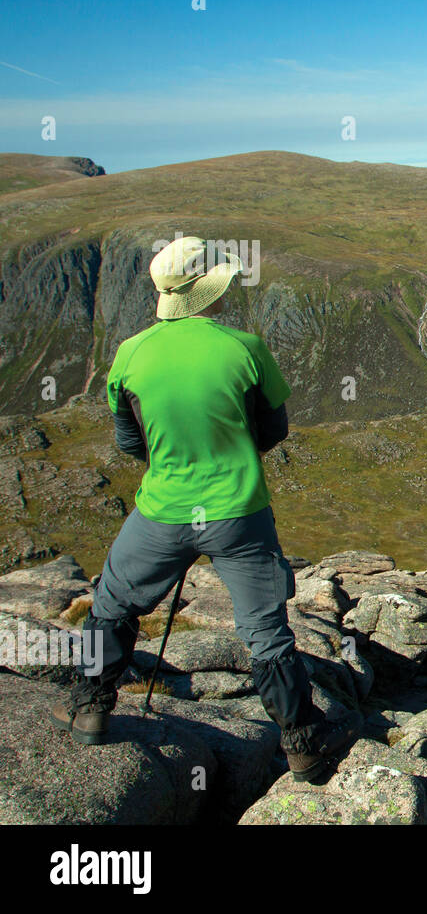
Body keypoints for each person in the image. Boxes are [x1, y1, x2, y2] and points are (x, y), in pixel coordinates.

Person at [50, 235, 356, 782]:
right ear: (205, 293)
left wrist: (176, 459)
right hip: (239, 511)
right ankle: (304, 745)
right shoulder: (244, 347)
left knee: (113, 607)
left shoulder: (131, 353)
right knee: (266, 632)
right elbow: (274, 428)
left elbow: (129, 441)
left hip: (163, 510)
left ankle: (91, 707)